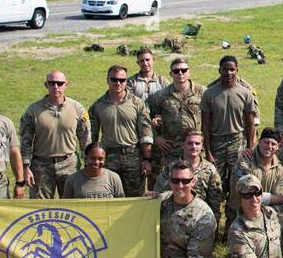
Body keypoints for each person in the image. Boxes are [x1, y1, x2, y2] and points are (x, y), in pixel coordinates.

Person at [19, 70, 91, 199]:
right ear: (46, 85)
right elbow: (25, 140)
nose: (56, 87)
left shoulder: (77, 108)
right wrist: (25, 167)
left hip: (69, 165)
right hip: (41, 167)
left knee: (72, 207)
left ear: (66, 84)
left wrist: (88, 163)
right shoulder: (33, 110)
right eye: (51, 83)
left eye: (60, 83)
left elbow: (85, 139)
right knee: (41, 210)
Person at [201, 55, 259, 201]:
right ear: (219, 70)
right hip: (216, 142)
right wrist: (207, 152)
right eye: (225, 69)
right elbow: (205, 125)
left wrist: (250, 147)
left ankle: (234, 214)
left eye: (232, 69)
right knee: (215, 182)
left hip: (237, 142)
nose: (228, 73)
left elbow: (250, 123)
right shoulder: (209, 93)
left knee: (239, 180)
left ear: (237, 70)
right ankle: (214, 213)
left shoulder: (246, 93)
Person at [90, 64, 153, 197]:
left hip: (133, 156)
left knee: (135, 199)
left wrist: (147, 159)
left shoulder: (138, 103)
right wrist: (90, 159)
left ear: (126, 81)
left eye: (122, 80)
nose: (118, 83)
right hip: (108, 157)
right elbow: (92, 136)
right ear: (108, 80)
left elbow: (146, 133)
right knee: (109, 197)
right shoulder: (98, 106)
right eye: (114, 79)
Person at [152, 130, 224, 224]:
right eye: (190, 143)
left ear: (202, 146)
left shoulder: (210, 170)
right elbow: (159, 192)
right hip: (174, 216)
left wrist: (214, 223)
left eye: (197, 143)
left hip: (199, 217)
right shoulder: (172, 167)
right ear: (183, 145)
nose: (194, 147)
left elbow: (215, 201)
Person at [147, 57, 203, 169]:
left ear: (189, 72)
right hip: (171, 149)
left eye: (184, 70)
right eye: (176, 71)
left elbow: (212, 118)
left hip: (195, 147)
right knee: (172, 181)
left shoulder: (202, 93)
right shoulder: (160, 96)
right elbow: (144, 118)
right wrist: (156, 137)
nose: (180, 73)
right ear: (171, 73)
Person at [62, 143, 126, 198]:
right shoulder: (72, 180)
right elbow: (66, 206)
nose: (96, 162)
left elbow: (121, 204)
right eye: (93, 158)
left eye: (100, 159)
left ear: (105, 159)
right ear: (86, 159)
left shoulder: (114, 178)